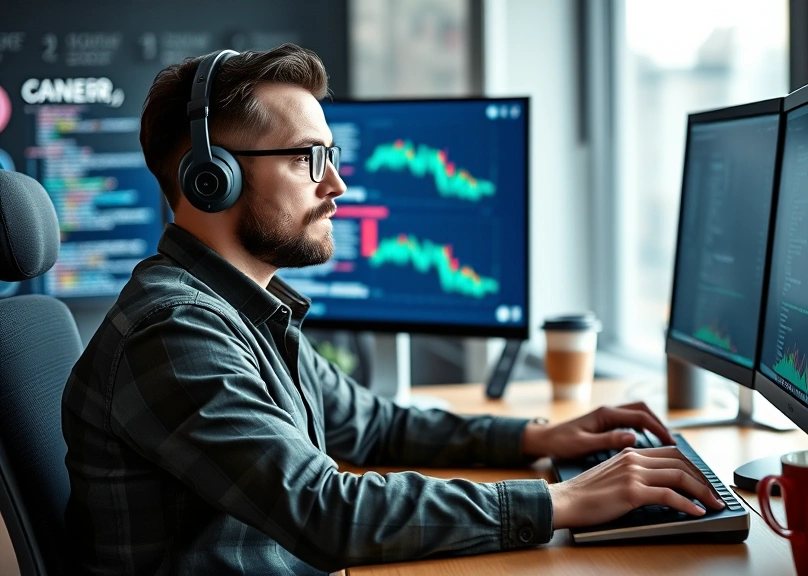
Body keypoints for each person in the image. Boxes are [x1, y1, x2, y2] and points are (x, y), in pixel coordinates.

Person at [61, 43, 723, 575]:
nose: (337, 184)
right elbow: (324, 513)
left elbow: (367, 424)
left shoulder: (244, 310)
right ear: (213, 177)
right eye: (308, 158)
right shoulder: (175, 334)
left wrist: (535, 439)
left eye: (333, 155)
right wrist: (563, 500)